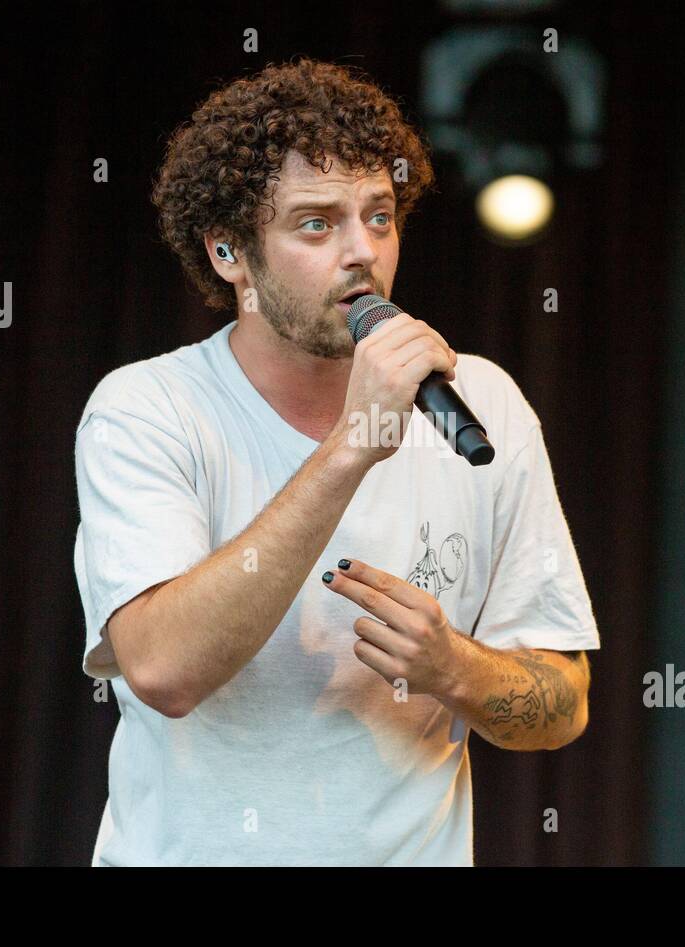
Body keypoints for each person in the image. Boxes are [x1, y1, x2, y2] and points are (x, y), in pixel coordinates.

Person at [73, 58, 600, 866]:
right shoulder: (149, 408)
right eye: (317, 224)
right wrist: (352, 444)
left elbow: (563, 704)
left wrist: (454, 667)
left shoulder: (479, 400)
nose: (363, 251)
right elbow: (162, 669)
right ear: (228, 254)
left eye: (380, 216)